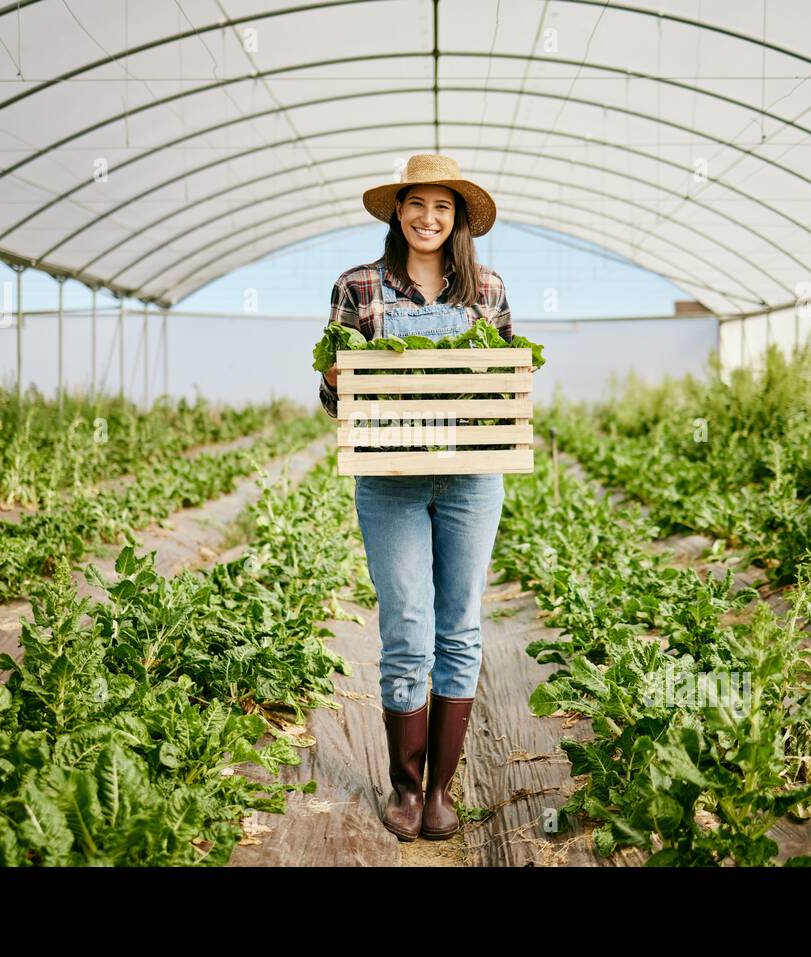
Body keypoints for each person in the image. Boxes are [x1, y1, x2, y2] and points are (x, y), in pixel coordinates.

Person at [318, 154, 515, 842]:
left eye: (442, 207)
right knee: (406, 627)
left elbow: (510, 382)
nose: (428, 218)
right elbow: (328, 395)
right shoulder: (359, 285)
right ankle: (405, 788)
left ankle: (441, 790)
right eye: (416, 204)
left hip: (471, 479)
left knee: (459, 625)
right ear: (397, 211)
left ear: (457, 219)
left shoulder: (486, 288)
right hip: (388, 477)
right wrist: (340, 380)